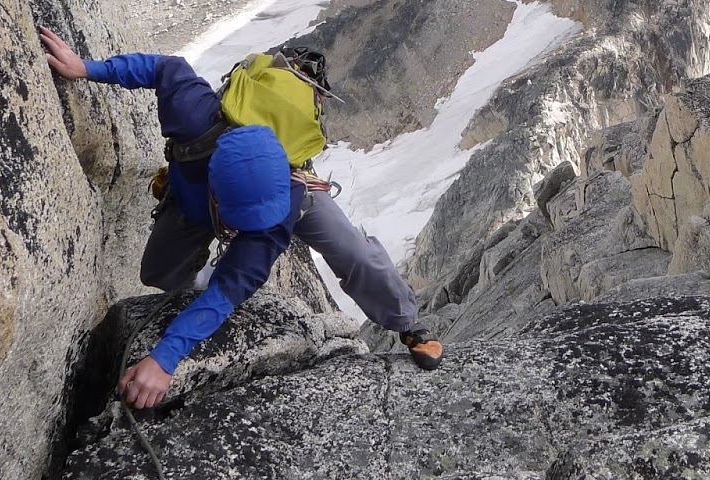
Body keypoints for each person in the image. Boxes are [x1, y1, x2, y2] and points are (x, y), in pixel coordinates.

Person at [41, 27, 443, 409]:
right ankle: (193, 277)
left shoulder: (284, 204)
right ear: (216, 193)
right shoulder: (194, 117)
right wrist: (88, 68)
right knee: (158, 275)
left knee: (354, 253)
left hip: (276, 183)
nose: (248, 235)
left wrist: (165, 358)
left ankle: (407, 323)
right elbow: (165, 67)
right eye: (239, 226)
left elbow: (231, 287)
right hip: (196, 194)